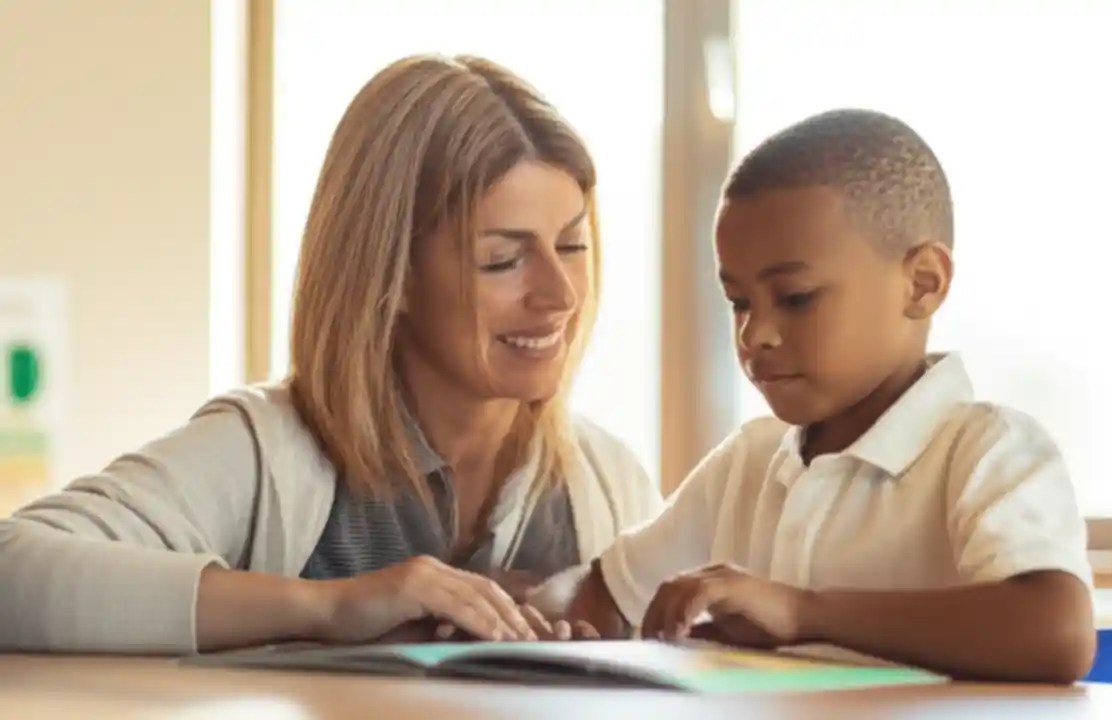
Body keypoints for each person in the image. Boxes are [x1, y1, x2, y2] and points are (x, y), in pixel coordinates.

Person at [0, 55, 660, 654]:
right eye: (503, 259)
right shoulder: (268, 454)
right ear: (391, 272)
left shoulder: (606, 484)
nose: (561, 293)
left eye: (572, 246)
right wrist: (325, 606)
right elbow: (12, 572)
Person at [532, 109, 1095, 683]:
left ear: (922, 284)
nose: (756, 335)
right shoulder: (747, 463)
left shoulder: (985, 451)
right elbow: (602, 591)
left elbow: (1057, 633)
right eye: (739, 302)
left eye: (796, 298)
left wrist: (805, 611)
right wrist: (535, 616)